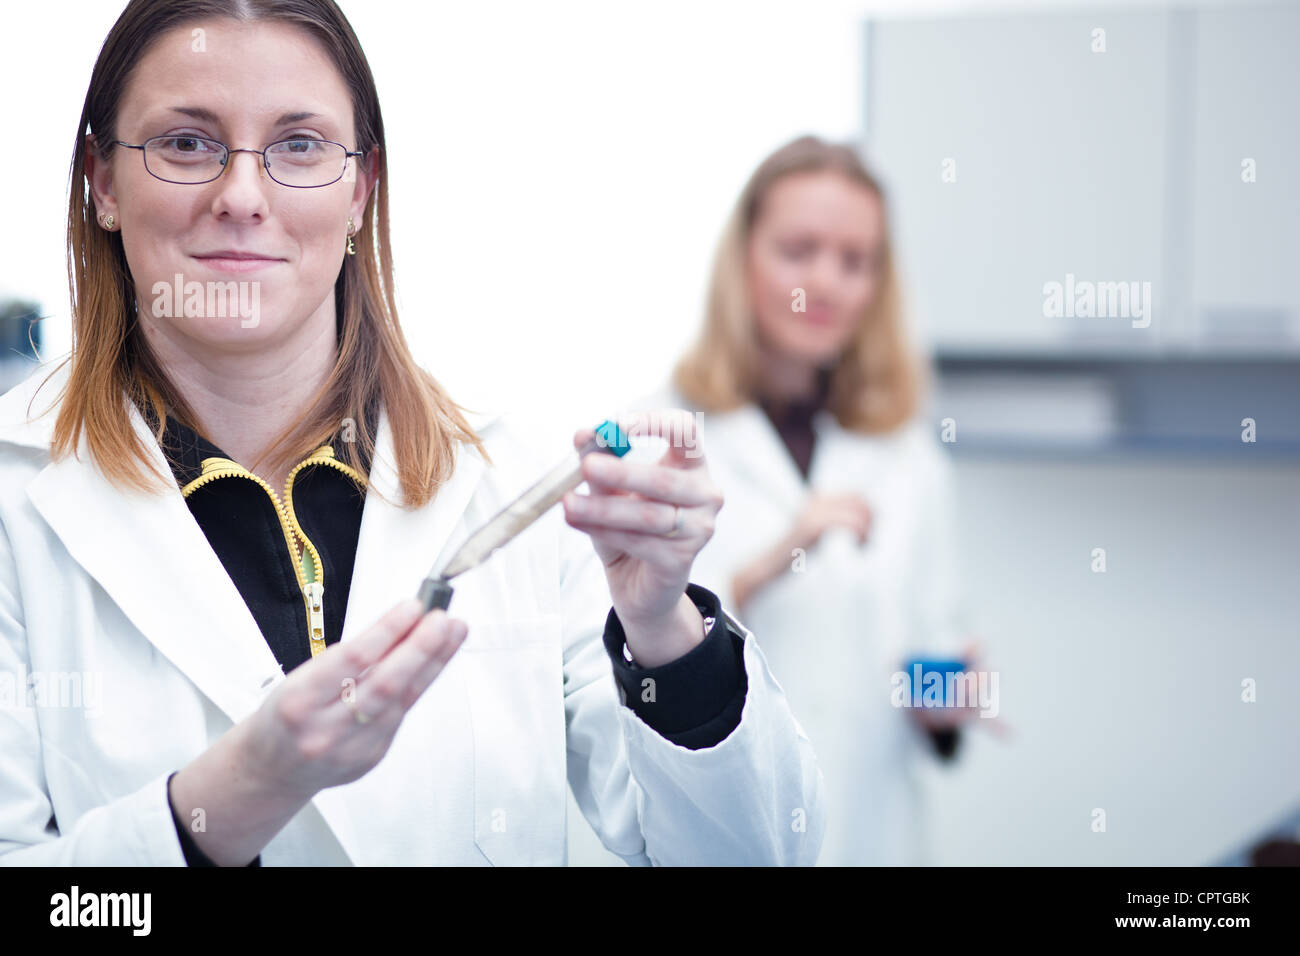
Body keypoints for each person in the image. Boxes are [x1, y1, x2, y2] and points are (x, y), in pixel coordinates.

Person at [0, 0, 824, 866]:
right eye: (185, 143)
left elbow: (752, 853)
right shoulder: (17, 502)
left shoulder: (514, 477)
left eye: (300, 145)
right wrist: (231, 798)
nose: (242, 196)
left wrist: (665, 633)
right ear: (101, 182)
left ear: (361, 190)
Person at [639, 136, 978, 865]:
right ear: (744, 262)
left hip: (873, 835)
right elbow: (632, 650)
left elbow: (933, 644)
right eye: (799, 251)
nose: (825, 282)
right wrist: (778, 557)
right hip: (720, 835)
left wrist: (946, 705)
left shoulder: (908, 457)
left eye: (855, 262)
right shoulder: (660, 436)